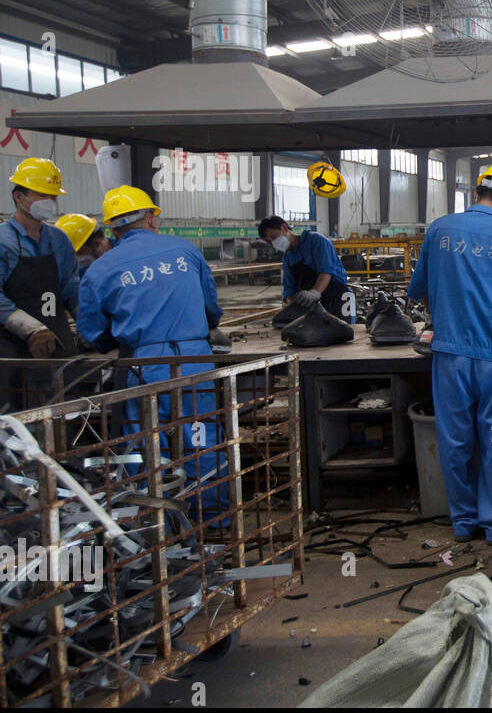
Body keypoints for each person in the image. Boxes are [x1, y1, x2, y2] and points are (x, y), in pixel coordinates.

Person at [77, 186, 226, 520]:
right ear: (150, 218)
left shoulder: (100, 269)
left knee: (142, 443)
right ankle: (213, 518)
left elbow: (92, 331)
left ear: (112, 228)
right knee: (200, 436)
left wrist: (116, 341)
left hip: (141, 364)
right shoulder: (186, 251)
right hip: (194, 360)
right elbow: (211, 308)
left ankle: (150, 524)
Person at [407, 160, 492, 545]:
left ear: (476, 192)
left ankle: (463, 523)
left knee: (455, 441)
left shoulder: (438, 230)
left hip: (450, 358)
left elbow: (419, 290)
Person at [0, 158, 80, 360]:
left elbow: (71, 290)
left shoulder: (59, 239)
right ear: (19, 197)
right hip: (12, 350)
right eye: (43, 195)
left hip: (58, 342)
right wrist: (31, 329)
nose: (50, 202)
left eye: (53, 196)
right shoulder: (3, 240)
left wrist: (90, 324)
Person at [258, 215, 352, 320]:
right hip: (313, 304)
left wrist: (315, 292)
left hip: (339, 299)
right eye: (269, 242)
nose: (273, 243)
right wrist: (294, 304)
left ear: (284, 227)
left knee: (345, 329)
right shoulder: (287, 258)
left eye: (274, 237)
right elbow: (289, 289)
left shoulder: (316, 241)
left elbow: (326, 271)